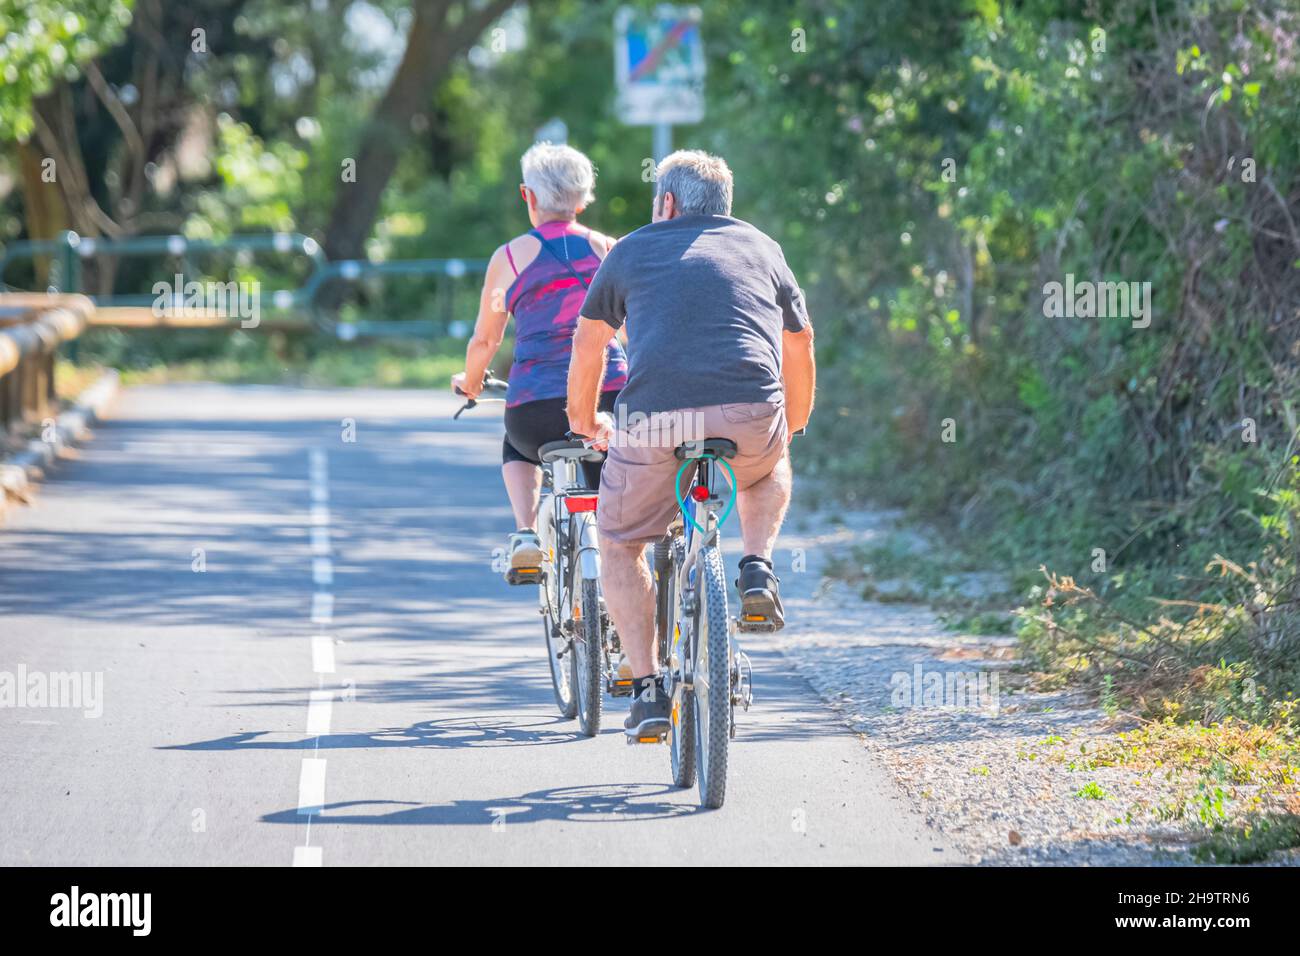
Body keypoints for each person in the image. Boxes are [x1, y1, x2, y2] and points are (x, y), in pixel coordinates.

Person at [566, 149, 816, 738]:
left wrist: (584, 420)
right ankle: (756, 568)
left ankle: (650, 689)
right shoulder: (763, 247)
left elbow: (588, 343)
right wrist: (792, 425)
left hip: (654, 421)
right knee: (768, 465)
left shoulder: (630, 249)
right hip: (750, 412)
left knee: (620, 541)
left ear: (667, 203)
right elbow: (799, 345)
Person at [453, 142, 627, 579]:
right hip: (610, 399)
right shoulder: (611, 250)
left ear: (527, 196)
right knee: (612, 465)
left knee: (517, 444)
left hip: (538, 410)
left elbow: (484, 340)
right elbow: (631, 331)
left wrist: (471, 383)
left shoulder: (509, 259)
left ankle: (526, 532)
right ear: (584, 199)